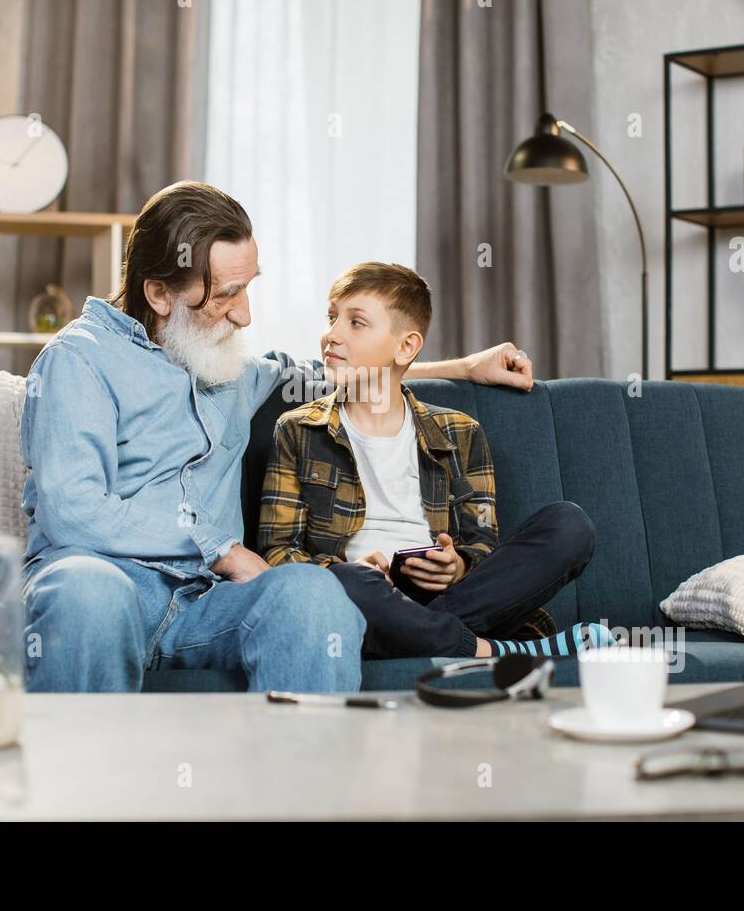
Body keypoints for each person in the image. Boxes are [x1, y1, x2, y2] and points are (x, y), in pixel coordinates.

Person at [20, 183, 536, 693]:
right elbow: (73, 510)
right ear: (159, 293)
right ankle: (80, 775)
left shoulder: (227, 365)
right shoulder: (78, 361)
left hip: (205, 605)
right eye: (226, 295)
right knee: (87, 594)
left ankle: (303, 775)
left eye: (249, 287)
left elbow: (344, 371)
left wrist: (467, 368)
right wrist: (219, 548)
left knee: (314, 592)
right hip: (107, 584)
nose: (246, 314)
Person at [258, 262, 612, 660]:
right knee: (348, 584)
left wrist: (458, 565)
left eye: (356, 323)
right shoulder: (298, 429)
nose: (332, 335)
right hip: (360, 597)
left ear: (406, 347)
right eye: (331, 317)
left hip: (452, 598)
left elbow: (481, 542)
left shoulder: (460, 432)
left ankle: (422, 634)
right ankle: (492, 650)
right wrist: (345, 572)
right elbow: (278, 552)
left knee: (569, 525)